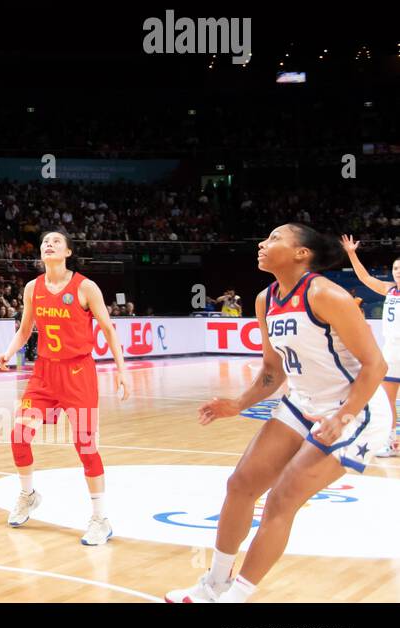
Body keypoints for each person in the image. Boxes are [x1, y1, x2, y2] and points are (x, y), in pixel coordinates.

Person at [166, 225, 389, 603]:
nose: (262, 244)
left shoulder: (326, 294)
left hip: (355, 409)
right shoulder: (264, 299)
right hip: (303, 403)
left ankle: (236, 597)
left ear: (302, 253)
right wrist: (237, 404)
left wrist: (343, 417)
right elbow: (273, 370)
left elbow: (375, 366)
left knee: (282, 499)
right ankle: (214, 584)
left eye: (274, 239)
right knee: (240, 485)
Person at [0, 231, 130, 546]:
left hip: (78, 373)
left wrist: (122, 370)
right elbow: (26, 329)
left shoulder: (85, 287)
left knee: (85, 446)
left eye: (56, 241)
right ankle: (28, 495)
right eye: (44, 242)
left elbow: (108, 328)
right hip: (43, 375)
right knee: (18, 436)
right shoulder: (33, 288)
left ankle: (100, 519)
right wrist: (9, 350)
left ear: (68, 251)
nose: (48, 244)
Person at [340, 235, 398, 457]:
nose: (398, 271)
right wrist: (352, 253)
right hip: (392, 353)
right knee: (389, 398)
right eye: (395, 268)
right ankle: (392, 443)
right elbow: (364, 278)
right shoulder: (389, 290)